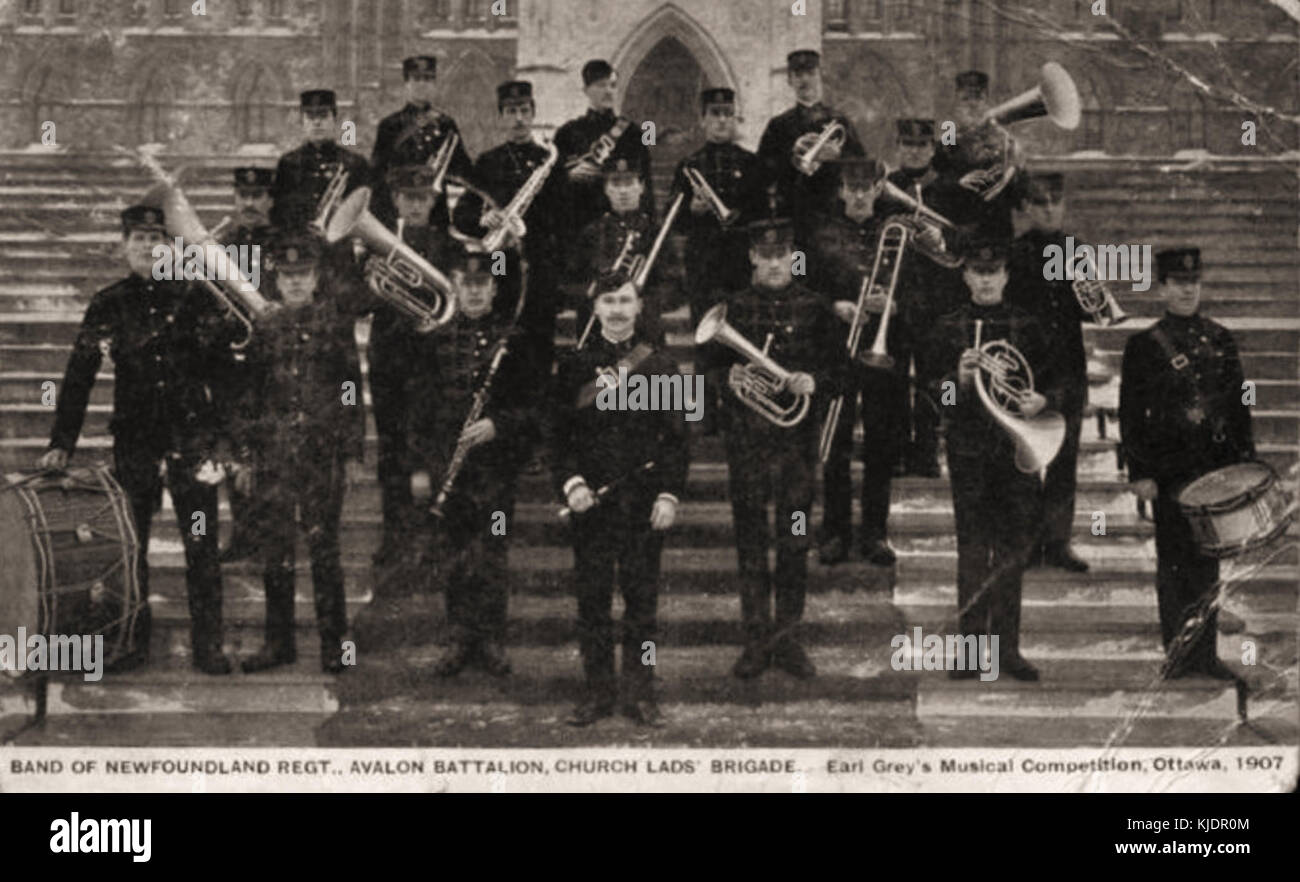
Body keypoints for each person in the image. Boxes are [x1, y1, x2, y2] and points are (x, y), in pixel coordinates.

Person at [39, 204, 236, 675]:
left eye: (156, 238)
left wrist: (226, 442)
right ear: (123, 246)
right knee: (133, 547)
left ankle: (208, 646)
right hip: (137, 443)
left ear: (170, 246)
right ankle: (131, 641)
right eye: (138, 239)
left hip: (193, 442)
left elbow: (225, 374)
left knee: (201, 544)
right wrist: (61, 440)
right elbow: (79, 374)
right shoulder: (108, 302)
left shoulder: (197, 297)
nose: (148, 247)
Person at [703, 216, 846, 680]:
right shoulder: (733, 309)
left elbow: (842, 372)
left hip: (796, 449)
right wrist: (727, 379)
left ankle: (787, 640)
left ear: (792, 256)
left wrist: (814, 381)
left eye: (780, 255)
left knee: (794, 540)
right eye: (764, 257)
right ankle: (755, 640)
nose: (773, 264)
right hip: (746, 445)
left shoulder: (816, 307)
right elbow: (704, 375)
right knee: (750, 544)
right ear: (752, 258)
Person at [551, 276, 689, 727]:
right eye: (608, 301)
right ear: (594, 308)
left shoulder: (663, 365)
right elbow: (559, 438)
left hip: (644, 504)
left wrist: (669, 493)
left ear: (639, 306)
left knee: (642, 606)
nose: (616, 309)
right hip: (591, 503)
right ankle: (596, 693)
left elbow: (676, 440)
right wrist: (571, 484)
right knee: (592, 602)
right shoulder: (573, 367)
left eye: (625, 300)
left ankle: (641, 692)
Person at [925, 234, 1064, 682]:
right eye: (977, 273)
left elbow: (1064, 382)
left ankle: (1008, 651)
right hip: (968, 452)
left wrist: (1042, 401)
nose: (985, 281)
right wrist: (960, 379)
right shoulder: (948, 327)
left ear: (1006, 275)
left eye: (993, 272)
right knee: (971, 552)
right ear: (965, 275)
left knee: (1011, 552)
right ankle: (969, 651)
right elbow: (933, 394)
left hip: (1015, 451)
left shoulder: (1030, 324)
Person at [1119, 247, 1255, 681]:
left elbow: (1239, 406)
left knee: (1208, 564)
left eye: (1192, 283)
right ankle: (1177, 656)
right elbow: (1129, 413)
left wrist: (1245, 464)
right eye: (1178, 283)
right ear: (1162, 287)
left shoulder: (1220, 338)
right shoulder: (1143, 345)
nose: (1186, 290)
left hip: (1213, 468)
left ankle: (1206, 656)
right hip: (1168, 469)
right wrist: (1139, 471)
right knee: (1174, 563)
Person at [236, 233, 365, 674]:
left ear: (316, 278)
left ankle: (335, 644)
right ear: (276, 278)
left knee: (323, 549)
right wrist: (246, 453)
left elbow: (350, 389)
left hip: (321, 455)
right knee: (276, 551)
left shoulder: (335, 324)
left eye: (303, 275)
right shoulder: (264, 325)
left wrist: (351, 449)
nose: (294, 283)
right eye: (287, 276)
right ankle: (279, 643)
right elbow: (249, 395)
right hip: (273, 455)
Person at [407, 250, 539, 678]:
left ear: (494, 288)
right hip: (449, 469)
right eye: (468, 284)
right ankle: (459, 638)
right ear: (455, 285)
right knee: (455, 553)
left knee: (493, 553)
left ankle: (492, 639)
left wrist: (498, 425)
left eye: (483, 285)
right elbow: (417, 412)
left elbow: (536, 405)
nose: (476, 291)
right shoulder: (431, 337)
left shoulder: (514, 340)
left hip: (496, 472)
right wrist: (422, 469)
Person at [810, 157, 922, 567]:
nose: (858, 195)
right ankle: (834, 531)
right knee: (834, 444)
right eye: (850, 188)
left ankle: (876, 531)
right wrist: (834, 306)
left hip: (884, 350)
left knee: (881, 444)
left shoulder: (900, 234)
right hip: (835, 350)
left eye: (866, 187)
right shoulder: (819, 233)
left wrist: (893, 305)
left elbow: (921, 294)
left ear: (879, 189)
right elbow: (804, 289)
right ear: (841, 190)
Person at [1008, 172, 1093, 572]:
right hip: (1027, 366)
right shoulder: (1015, 252)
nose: (1048, 209)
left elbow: (1093, 310)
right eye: (1040, 203)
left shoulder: (1077, 250)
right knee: (1025, 456)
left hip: (1067, 366)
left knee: (1065, 459)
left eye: (1055, 202)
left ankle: (1057, 542)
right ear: (1026, 207)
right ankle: (1026, 541)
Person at [366, 164, 450, 565]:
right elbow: (358, 301)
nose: (416, 205)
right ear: (397, 201)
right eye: (408, 198)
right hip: (389, 357)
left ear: (433, 202)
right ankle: (394, 533)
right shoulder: (377, 244)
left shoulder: (448, 244)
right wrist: (373, 284)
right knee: (391, 448)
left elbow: (455, 302)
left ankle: (431, 534)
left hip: (432, 358)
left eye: (423, 198)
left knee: (432, 445)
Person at [452, 80, 564, 373]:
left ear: (533, 113)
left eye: (524, 110)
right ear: (501, 116)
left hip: (540, 259)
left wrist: (530, 227)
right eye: (511, 111)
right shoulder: (488, 162)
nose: (518, 118)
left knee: (540, 338)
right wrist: (482, 220)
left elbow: (568, 213)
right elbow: (461, 213)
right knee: (501, 334)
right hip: (501, 259)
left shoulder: (549, 160)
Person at [216, 166, 278, 564]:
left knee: (271, 441)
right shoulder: (223, 243)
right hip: (235, 359)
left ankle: (272, 531)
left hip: (274, 360)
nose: (250, 203)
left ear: (270, 200)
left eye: (258, 195)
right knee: (235, 440)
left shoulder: (283, 243)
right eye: (243, 195)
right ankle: (243, 531)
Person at [565, 152, 683, 348]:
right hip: (596, 328)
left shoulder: (655, 233)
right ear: (606, 190)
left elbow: (675, 287)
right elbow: (569, 282)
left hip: (644, 329)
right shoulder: (591, 232)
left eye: (629, 183)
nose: (623, 191)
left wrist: (640, 300)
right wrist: (593, 292)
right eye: (616, 184)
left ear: (641, 188)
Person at [884, 118, 948, 477]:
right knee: (892, 379)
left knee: (931, 379)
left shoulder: (946, 188)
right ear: (898, 147)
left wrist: (941, 241)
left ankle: (926, 452)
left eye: (921, 146)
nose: (914, 151)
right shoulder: (886, 187)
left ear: (932, 149)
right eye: (907, 145)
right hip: (895, 297)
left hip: (934, 299)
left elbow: (960, 237)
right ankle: (894, 452)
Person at [755, 49, 863, 246]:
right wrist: (791, 154)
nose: (804, 80)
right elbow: (761, 171)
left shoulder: (840, 121)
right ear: (789, 80)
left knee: (830, 273)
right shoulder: (778, 125)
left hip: (833, 217)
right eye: (798, 75)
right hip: (793, 218)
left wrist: (838, 157)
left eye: (810, 74)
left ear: (820, 76)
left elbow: (861, 168)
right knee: (799, 270)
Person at [554, 59, 655, 245]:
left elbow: (646, 185)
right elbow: (551, 187)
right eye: (601, 85)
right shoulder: (567, 133)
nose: (608, 91)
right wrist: (568, 176)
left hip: (620, 231)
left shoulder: (633, 133)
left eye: (613, 85)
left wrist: (650, 230)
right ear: (586, 91)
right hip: (579, 226)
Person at [370, 55, 475, 231]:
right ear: (406, 83)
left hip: (435, 215)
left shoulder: (445, 124)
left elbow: (464, 172)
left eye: (428, 79)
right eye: (416, 79)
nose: (422, 84)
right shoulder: (390, 125)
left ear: (434, 84)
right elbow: (377, 176)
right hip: (398, 216)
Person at [269, 89, 371, 236]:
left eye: (323, 116)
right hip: (300, 249)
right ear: (302, 122)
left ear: (334, 120)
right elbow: (278, 214)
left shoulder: (354, 163)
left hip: (340, 249)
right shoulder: (288, 164)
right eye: (310, 117)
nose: (317, 122)